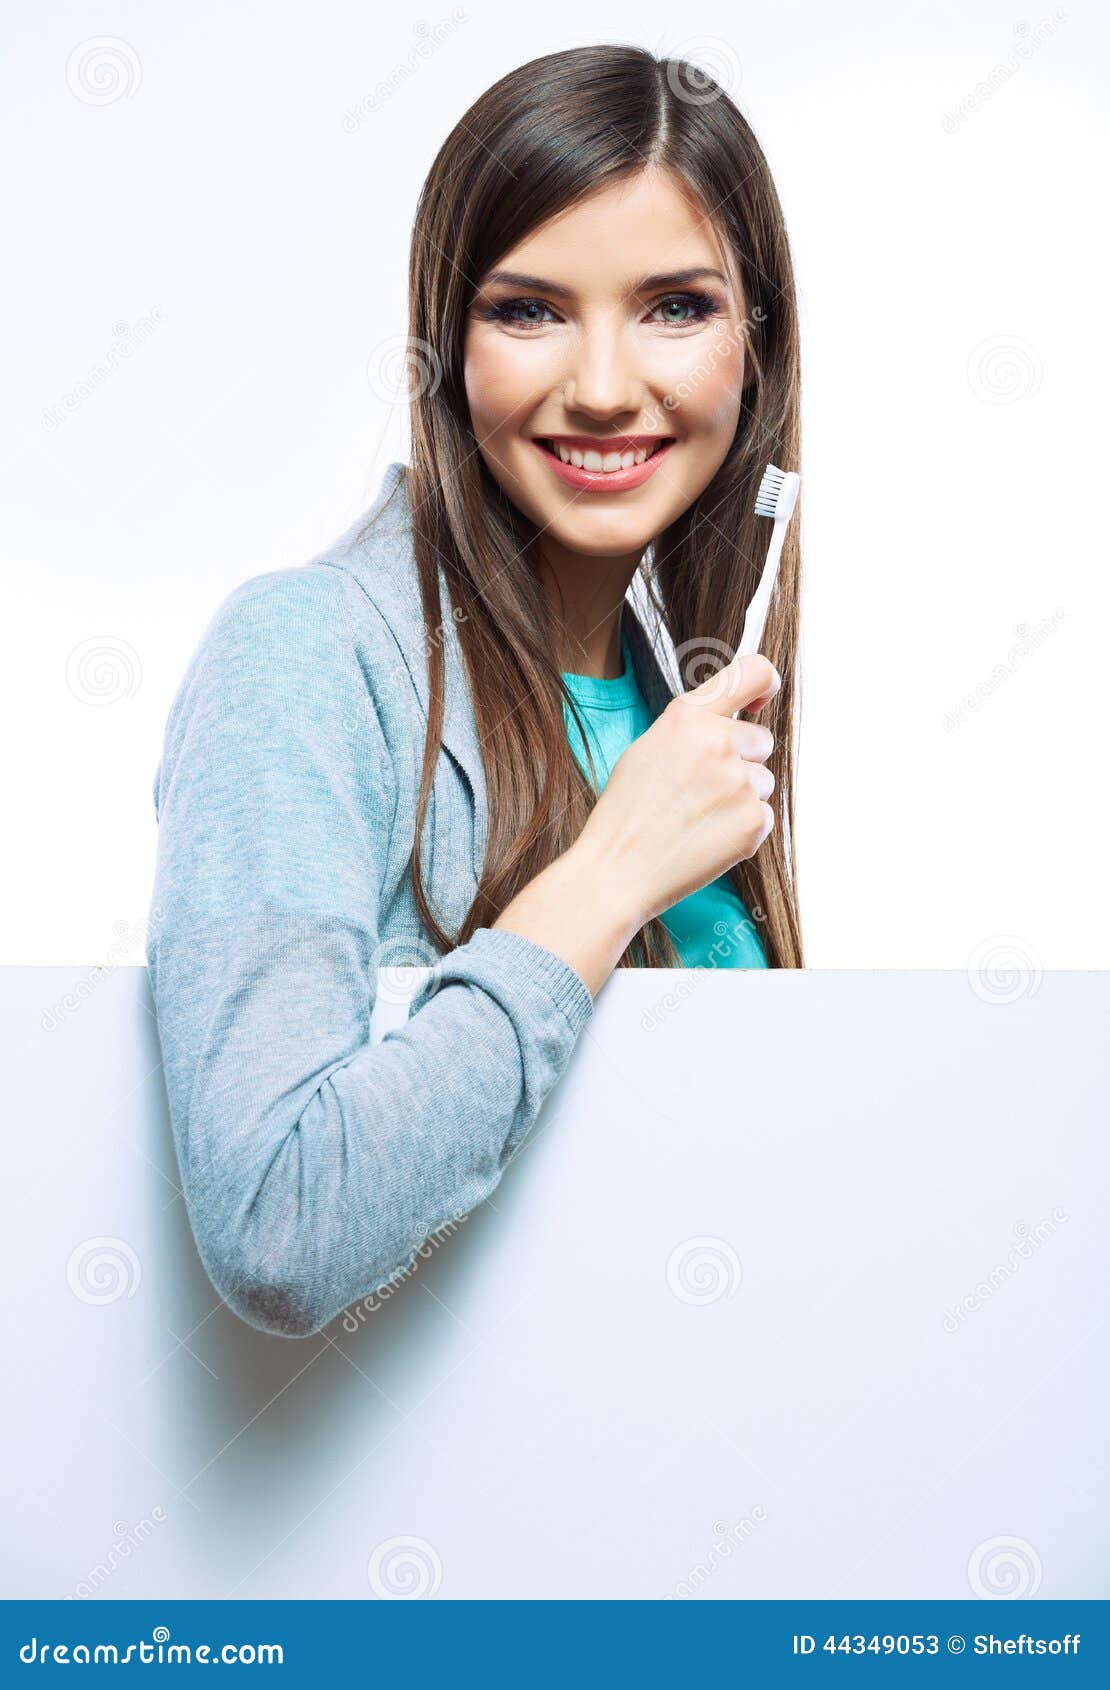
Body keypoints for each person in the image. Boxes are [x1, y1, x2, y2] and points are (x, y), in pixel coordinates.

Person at [146, 43, 803, 1339]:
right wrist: (603, 879)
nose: (605, 384)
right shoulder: (306, 652)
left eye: (675, 306)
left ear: (756, 345)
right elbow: (279, 1216)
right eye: (528, 309)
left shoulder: (682, 698)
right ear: (441, 347)